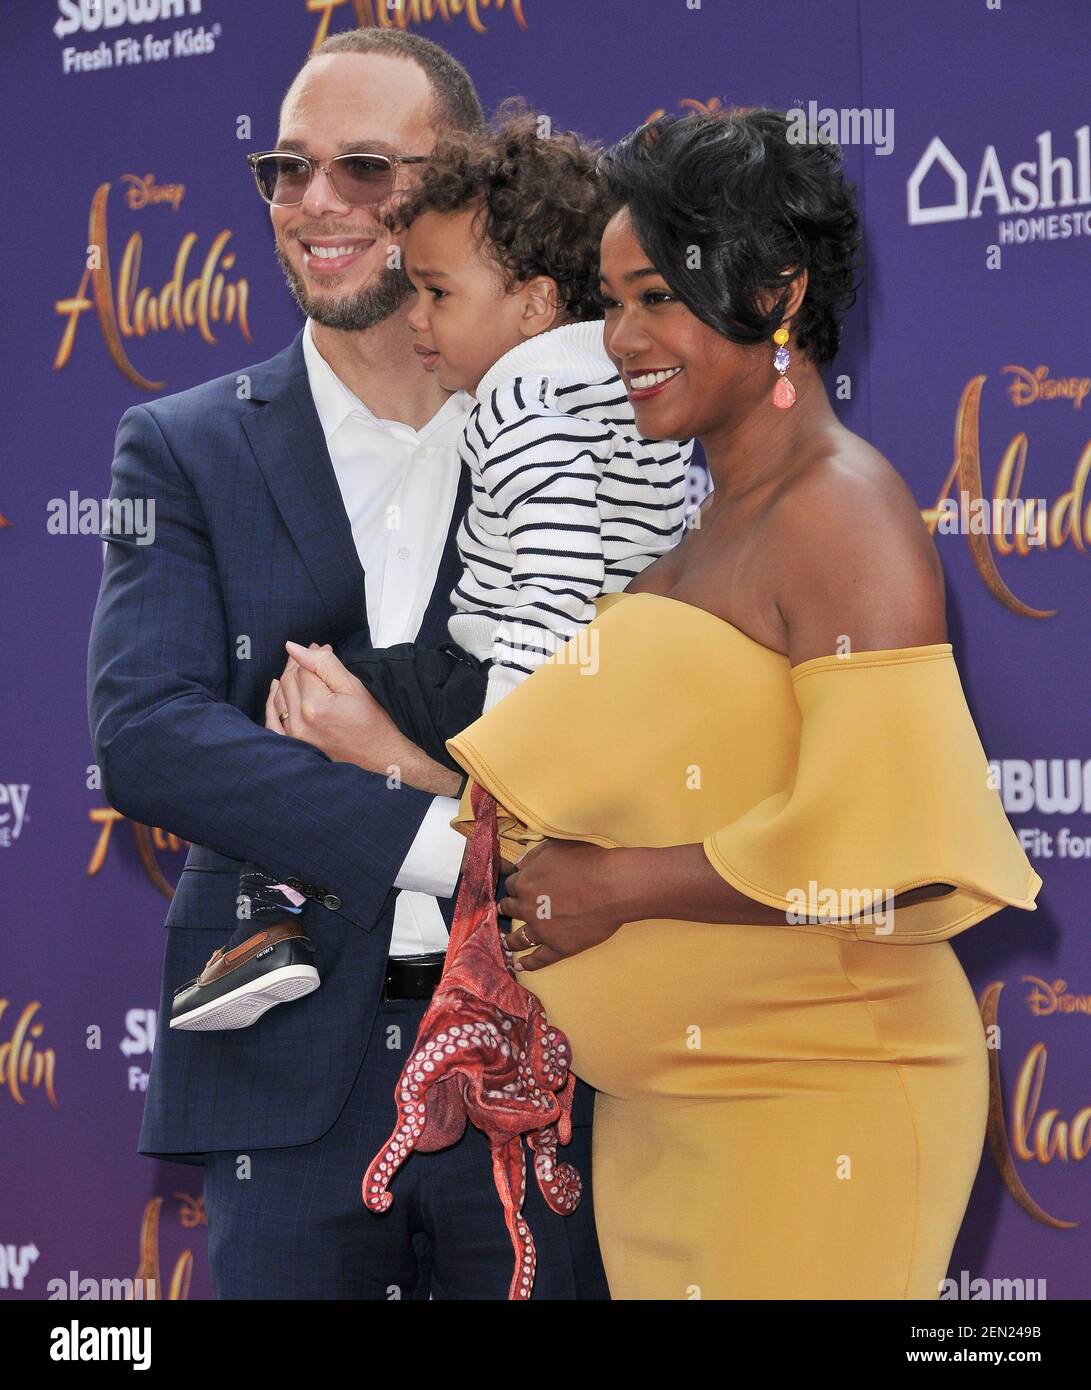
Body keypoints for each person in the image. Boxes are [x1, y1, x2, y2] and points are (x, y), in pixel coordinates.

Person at [430, 109, 1042, 1299]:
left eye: (656, 295)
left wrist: (618, 887)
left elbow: (899, 846)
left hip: (821, 1100)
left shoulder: (839, 511)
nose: (620, 339)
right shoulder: (704, 521)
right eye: (608, 301)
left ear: (775, 291)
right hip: (669, 1122)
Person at [87, 28, 607, 1301]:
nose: (314, 202)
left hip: (554, 1065)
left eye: (364, 167)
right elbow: (147, 729)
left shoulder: (588, 436)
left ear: (464, 194)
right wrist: (439, 838)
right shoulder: (181, 445)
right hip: (287, 1093)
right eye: (285, 167)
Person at [169, 105, 691, 1033]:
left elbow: (555, 579)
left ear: (532, 303)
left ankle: (269, 923)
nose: (415, 317)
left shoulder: (520, 394)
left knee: (301, 696)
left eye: (438, 294)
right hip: (613, 690)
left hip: (504, 686)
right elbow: (667, 527)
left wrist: (504, 757)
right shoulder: (620, 379)